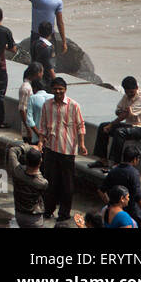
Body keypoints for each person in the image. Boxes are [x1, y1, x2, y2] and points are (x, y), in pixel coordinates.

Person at [39, 75, 86, 222]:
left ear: (65, 89)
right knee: (49, 182)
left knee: (67, 185)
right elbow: (42, 126)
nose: (58, 92)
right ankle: (48, 210)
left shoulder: (74, 106)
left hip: (68, 151)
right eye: (55, 89)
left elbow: (80, 126)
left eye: (60, 89)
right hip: (51, 148)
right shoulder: (47, 105)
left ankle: (64, 213)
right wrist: (40, 143)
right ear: (51, 90)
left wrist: (82, 144)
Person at [91, 76, 141, 170]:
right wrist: (120, 113)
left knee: (120, 132)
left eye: (131, 92)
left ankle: (115, 162)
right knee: (102, 126)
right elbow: (118, 111)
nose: (129, 94)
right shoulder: (126, 96)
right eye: (127, 92)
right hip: (129, 125)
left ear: (136, 88)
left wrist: (112, 124)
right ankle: (102, 160)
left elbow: (124, 115)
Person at [100, 144, 141, 228]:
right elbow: (138, 197)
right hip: (131, 212)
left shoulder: (114, 170)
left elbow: (101, 190)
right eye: (138, 159)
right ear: (135, 159)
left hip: (114, 210)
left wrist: (110, 204)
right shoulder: (134, 173)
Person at [6, 144, 49, 228]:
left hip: (19, 214)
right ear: (40, 162)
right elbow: (37, 175)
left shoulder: (17, 171)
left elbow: (12, 150)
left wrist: (29, 147)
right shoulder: (42, 183)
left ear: (26, 160)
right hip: (34, 218)